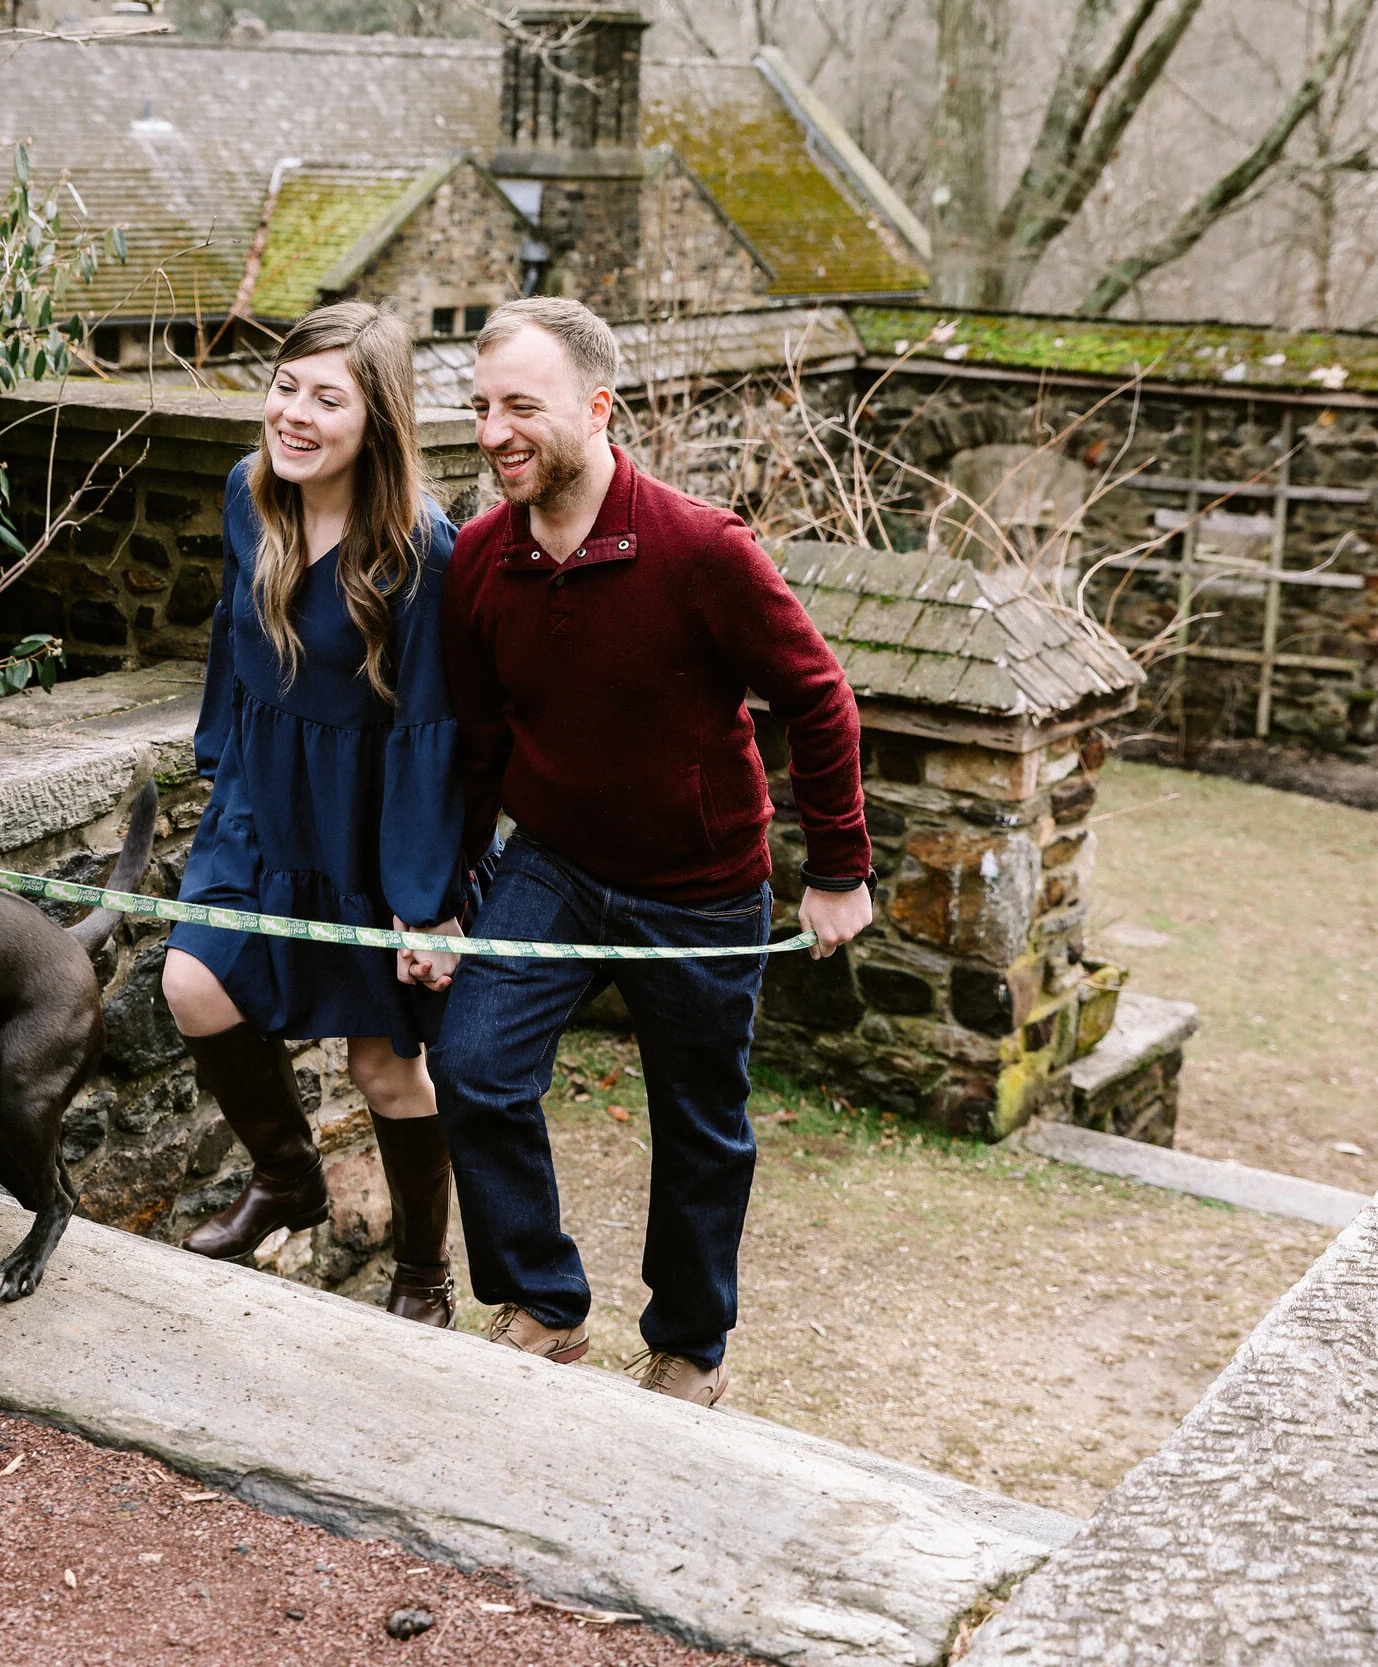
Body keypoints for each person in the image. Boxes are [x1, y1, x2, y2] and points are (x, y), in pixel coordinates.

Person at [425, 297, 874, 1405]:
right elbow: (476, 746)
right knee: (473, 1065)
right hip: (555, 865)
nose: (493, 432)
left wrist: (837, 871)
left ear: (597, 406)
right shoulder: (480, 559)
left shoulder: (700, 549)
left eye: (521, 406)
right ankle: (541, 1300)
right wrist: (441, 897)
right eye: (481, 407)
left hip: (701, 885)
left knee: (700, 1126)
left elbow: (818, 700)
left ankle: (689, 1345)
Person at [161, 301, 470, 1328]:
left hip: (371, 831)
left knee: (385, 1066)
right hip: (260, 804)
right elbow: (230, 632)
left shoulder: (419, 549)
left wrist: (423, 903)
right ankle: (288, 1177)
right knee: (193, 982)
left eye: (325, 397)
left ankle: (423, 1277)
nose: (292, 413)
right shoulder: (247, 498)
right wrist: (220, 762)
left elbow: (431, 725)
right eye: (284, 385)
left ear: (376, 419)